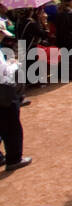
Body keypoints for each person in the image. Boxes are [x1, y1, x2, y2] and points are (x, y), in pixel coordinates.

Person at [0, 26, 31, 170]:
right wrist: (13, 65)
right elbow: (3, 73)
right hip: (4, 91)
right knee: (12, 125)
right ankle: (14, 159)